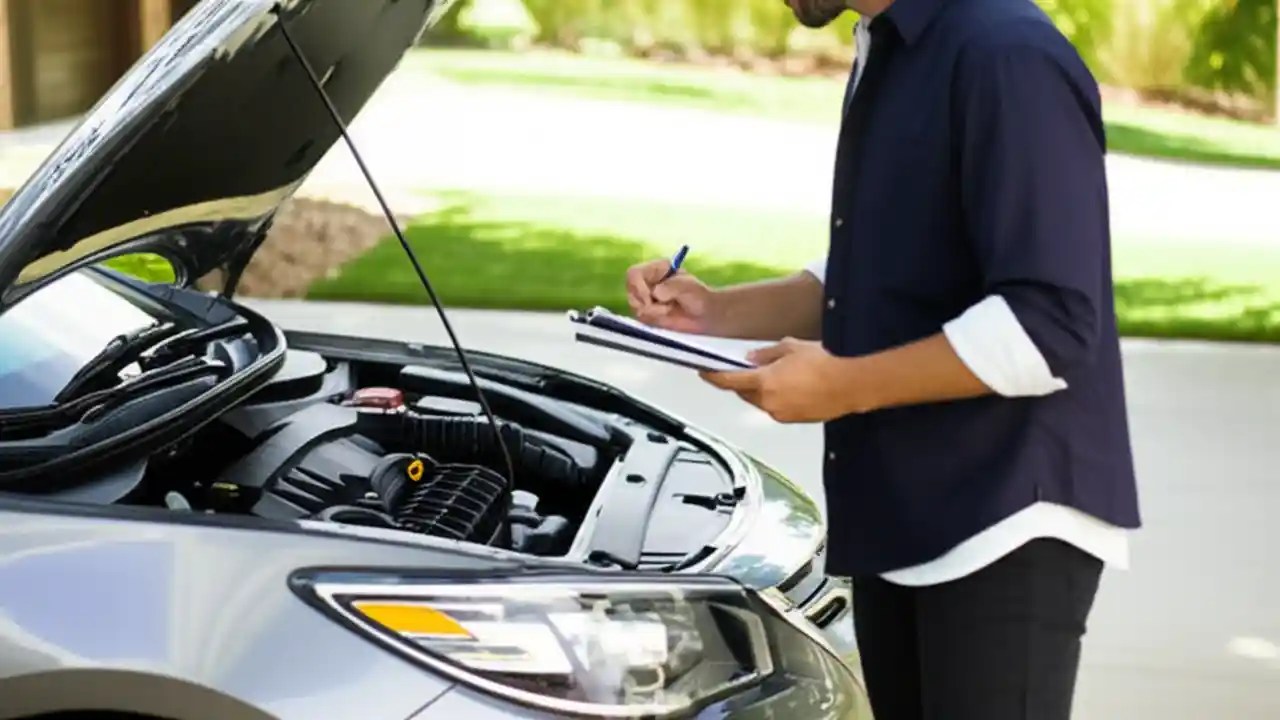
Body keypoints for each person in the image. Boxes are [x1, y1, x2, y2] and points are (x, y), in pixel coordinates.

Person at [624, 0, 1142, 718]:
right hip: (903, 511)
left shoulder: (1007, 53)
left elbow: (1050, 322)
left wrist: (842, 386)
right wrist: (716, 313)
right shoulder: (893, 46)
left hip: (1003, 518)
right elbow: (888, 265)